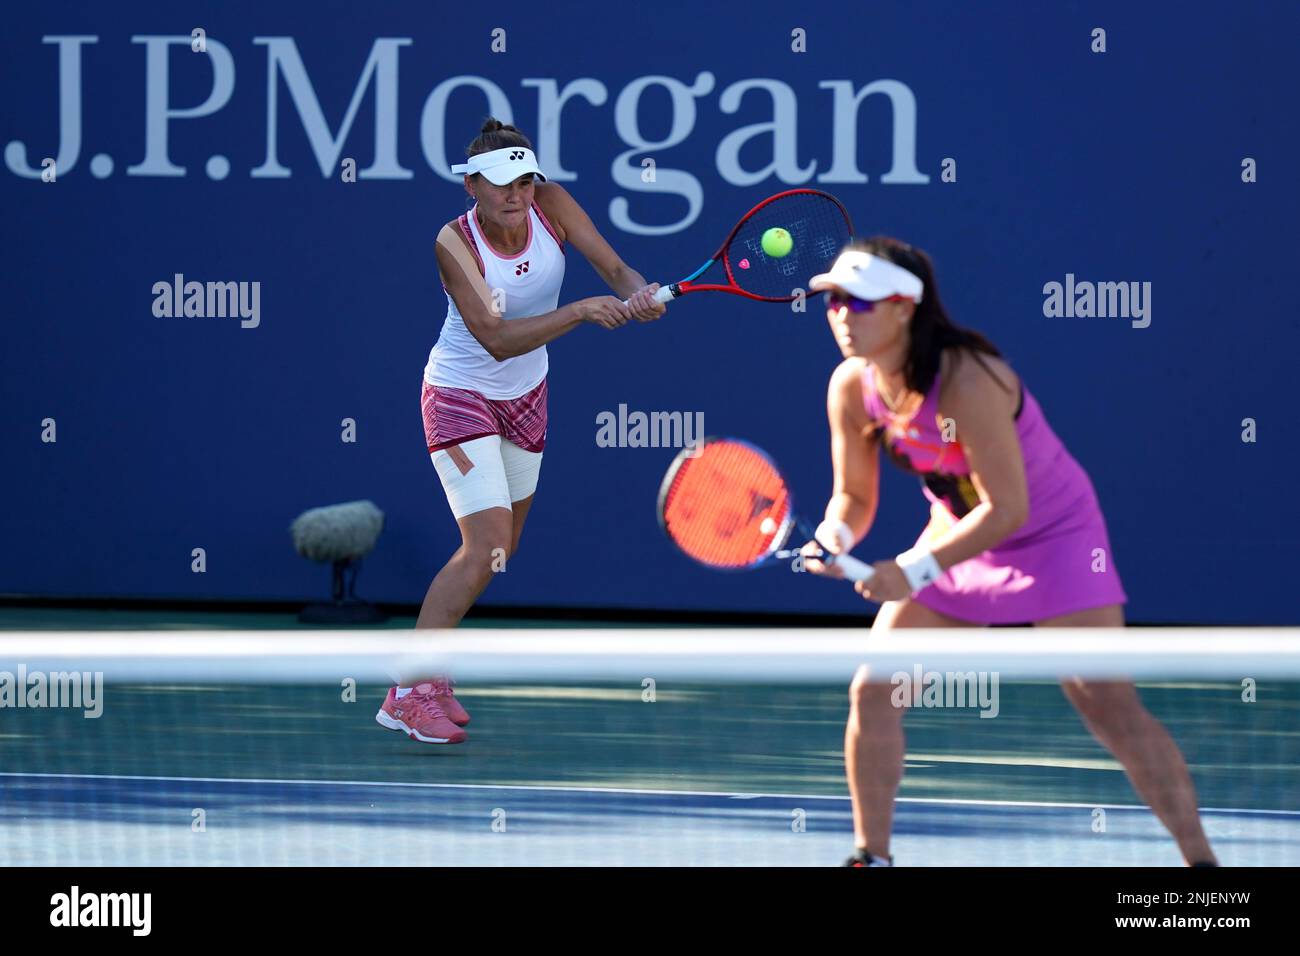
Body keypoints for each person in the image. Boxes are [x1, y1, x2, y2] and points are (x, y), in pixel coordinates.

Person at [802, 237, 1216, 866]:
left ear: (904, 307)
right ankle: (872, 857)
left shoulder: (969, 380)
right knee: (875, 688)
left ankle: (1201, 867)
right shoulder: (850, 387)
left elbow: (1010, 508)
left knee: (1106, 704)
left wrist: (910, 570)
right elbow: (853, 496)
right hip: (958, 535)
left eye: (857, 303)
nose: (840, 316)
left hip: (1056, 537)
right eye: (832, 301)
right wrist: (835, 536)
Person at [376, 118, 665, 745]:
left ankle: (432, 672)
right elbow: (499, 340)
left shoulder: (551, 204)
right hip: (459, 393)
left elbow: (613, 266)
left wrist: (640, 294)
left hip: (527, 398)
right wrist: (584, 311)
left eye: (525, 181)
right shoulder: (453, 244)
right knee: (482, 546)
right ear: (473, 185)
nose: (517, 194)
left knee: (501, 554)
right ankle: (407, 689)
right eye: (503, 183)